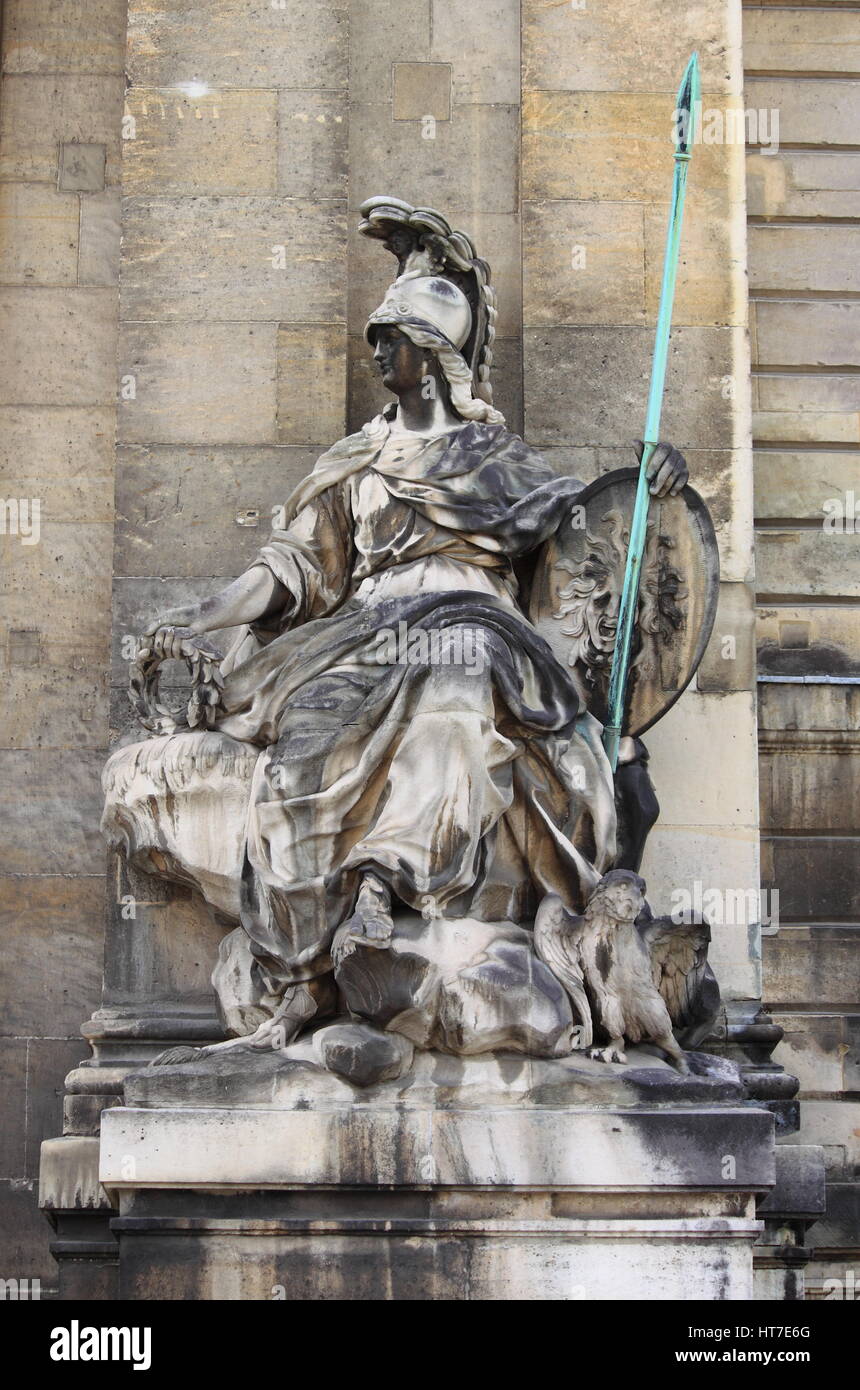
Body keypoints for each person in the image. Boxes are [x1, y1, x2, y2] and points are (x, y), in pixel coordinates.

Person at [110, 259, 688, 1045]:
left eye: (393, 339)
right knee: (307, 738)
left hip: (477, 622)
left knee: (453, 696)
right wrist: (202, 614)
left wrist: (654, 489)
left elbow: (590, 543)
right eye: (376, 339)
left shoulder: (499, 460)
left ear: (433, 354)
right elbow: (292, 570)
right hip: (365, 631)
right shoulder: (357, 460)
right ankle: (306, 948)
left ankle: (386, 885)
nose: (378, 353)